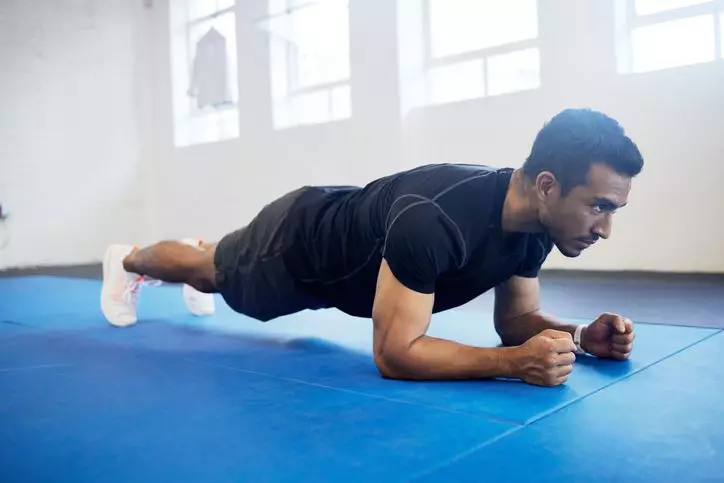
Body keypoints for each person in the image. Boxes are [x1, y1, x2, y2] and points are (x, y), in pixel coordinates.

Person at [101, 108, 642, 387]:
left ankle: (207, 252)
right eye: (599, 206)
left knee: (214, 261)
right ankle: (129, 259)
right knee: (208, 272)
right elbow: (394, 353)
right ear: (548, 185)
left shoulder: (533, 226)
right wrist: (512, 364)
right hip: (297, 246)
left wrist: (577, 336)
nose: (604, 228)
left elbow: (517, 318)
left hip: (346, 225)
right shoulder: (436, 220)